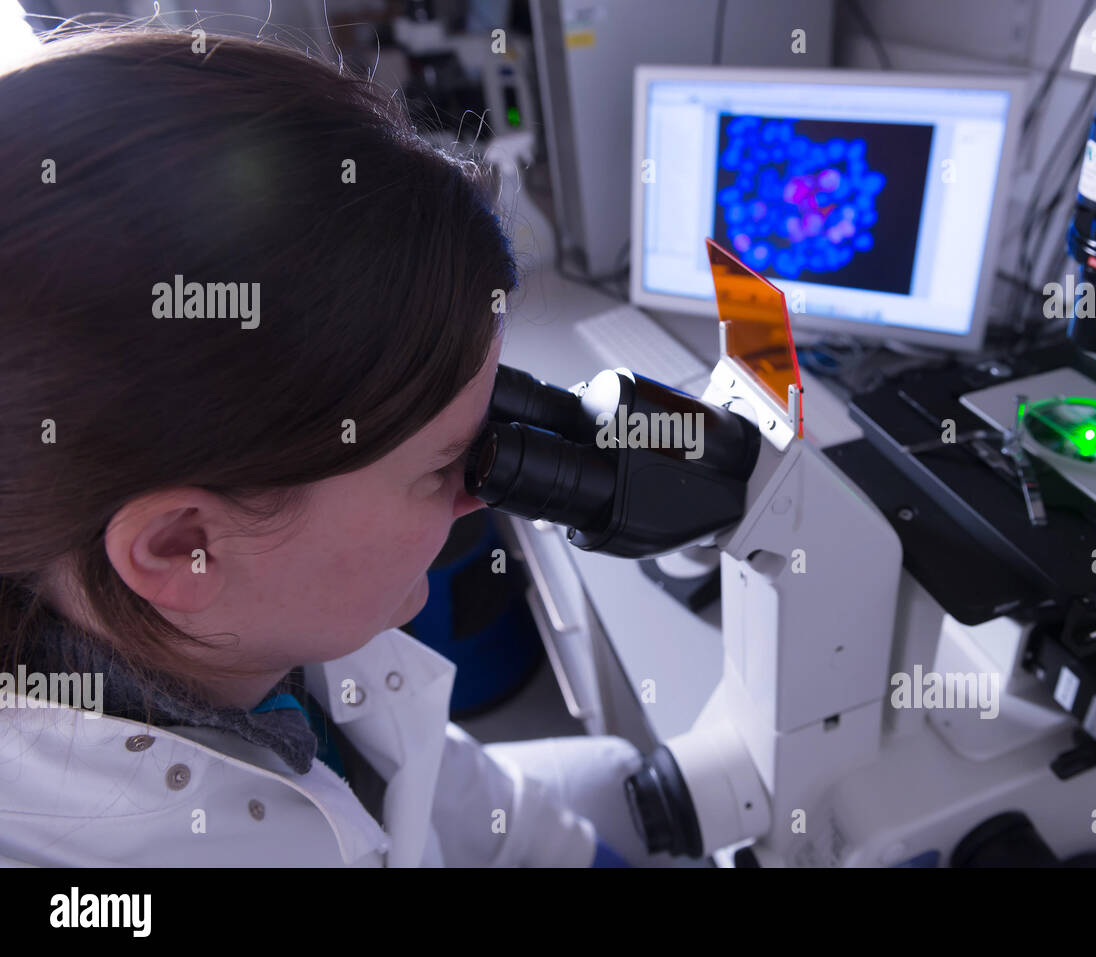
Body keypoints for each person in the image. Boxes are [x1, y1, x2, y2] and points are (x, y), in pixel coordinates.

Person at [0, 23, 649, 867]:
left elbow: (458, 796)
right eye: (441, 466)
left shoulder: (257, 609)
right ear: (183, 546)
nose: (481, 491)